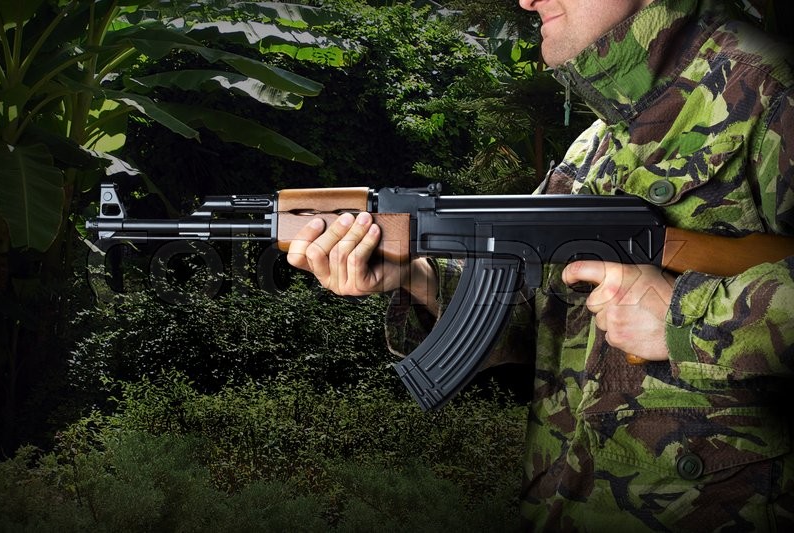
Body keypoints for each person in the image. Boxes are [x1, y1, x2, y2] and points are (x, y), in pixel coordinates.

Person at [287, 0, 794, 529]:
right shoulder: (598, 142)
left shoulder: (772, 88)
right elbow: (537, 312)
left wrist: (682, 317)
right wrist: (415, 277)